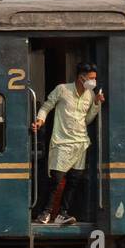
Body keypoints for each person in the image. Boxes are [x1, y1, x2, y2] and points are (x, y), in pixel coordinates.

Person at [31, 63, 104, 226]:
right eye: (91, 78)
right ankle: (45, 212)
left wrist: (97, 104)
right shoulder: (62, 89)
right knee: (55, 179)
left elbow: (87, 120)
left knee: (74, 181)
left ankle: (62, 213)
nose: (94, 82)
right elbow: (47, 106)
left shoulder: (90, 95)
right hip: (61, 142)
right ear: (81, 77)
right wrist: (40, 120)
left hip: (80, 142)